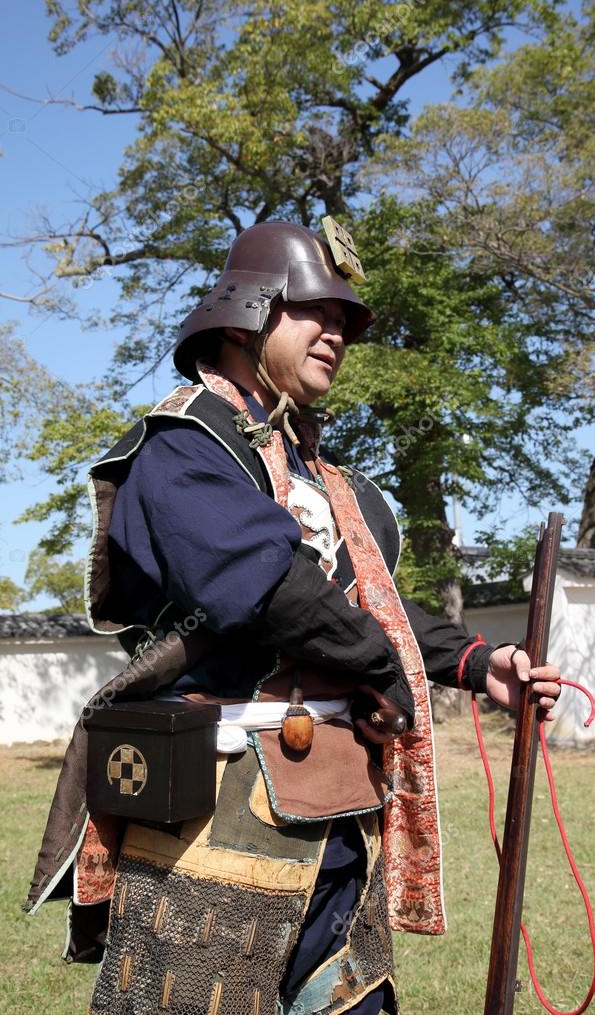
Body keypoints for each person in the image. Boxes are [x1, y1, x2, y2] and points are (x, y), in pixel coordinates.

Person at [26, 219, 560, 1015]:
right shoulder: (184, 445)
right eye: (315, 310)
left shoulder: (319, 474)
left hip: (340, 815)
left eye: (344, 320)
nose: (335, 333)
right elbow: (269, 583)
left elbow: (365, 601)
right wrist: (379, 665)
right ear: (248, 311)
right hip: (211, 824)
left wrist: (482, 664)